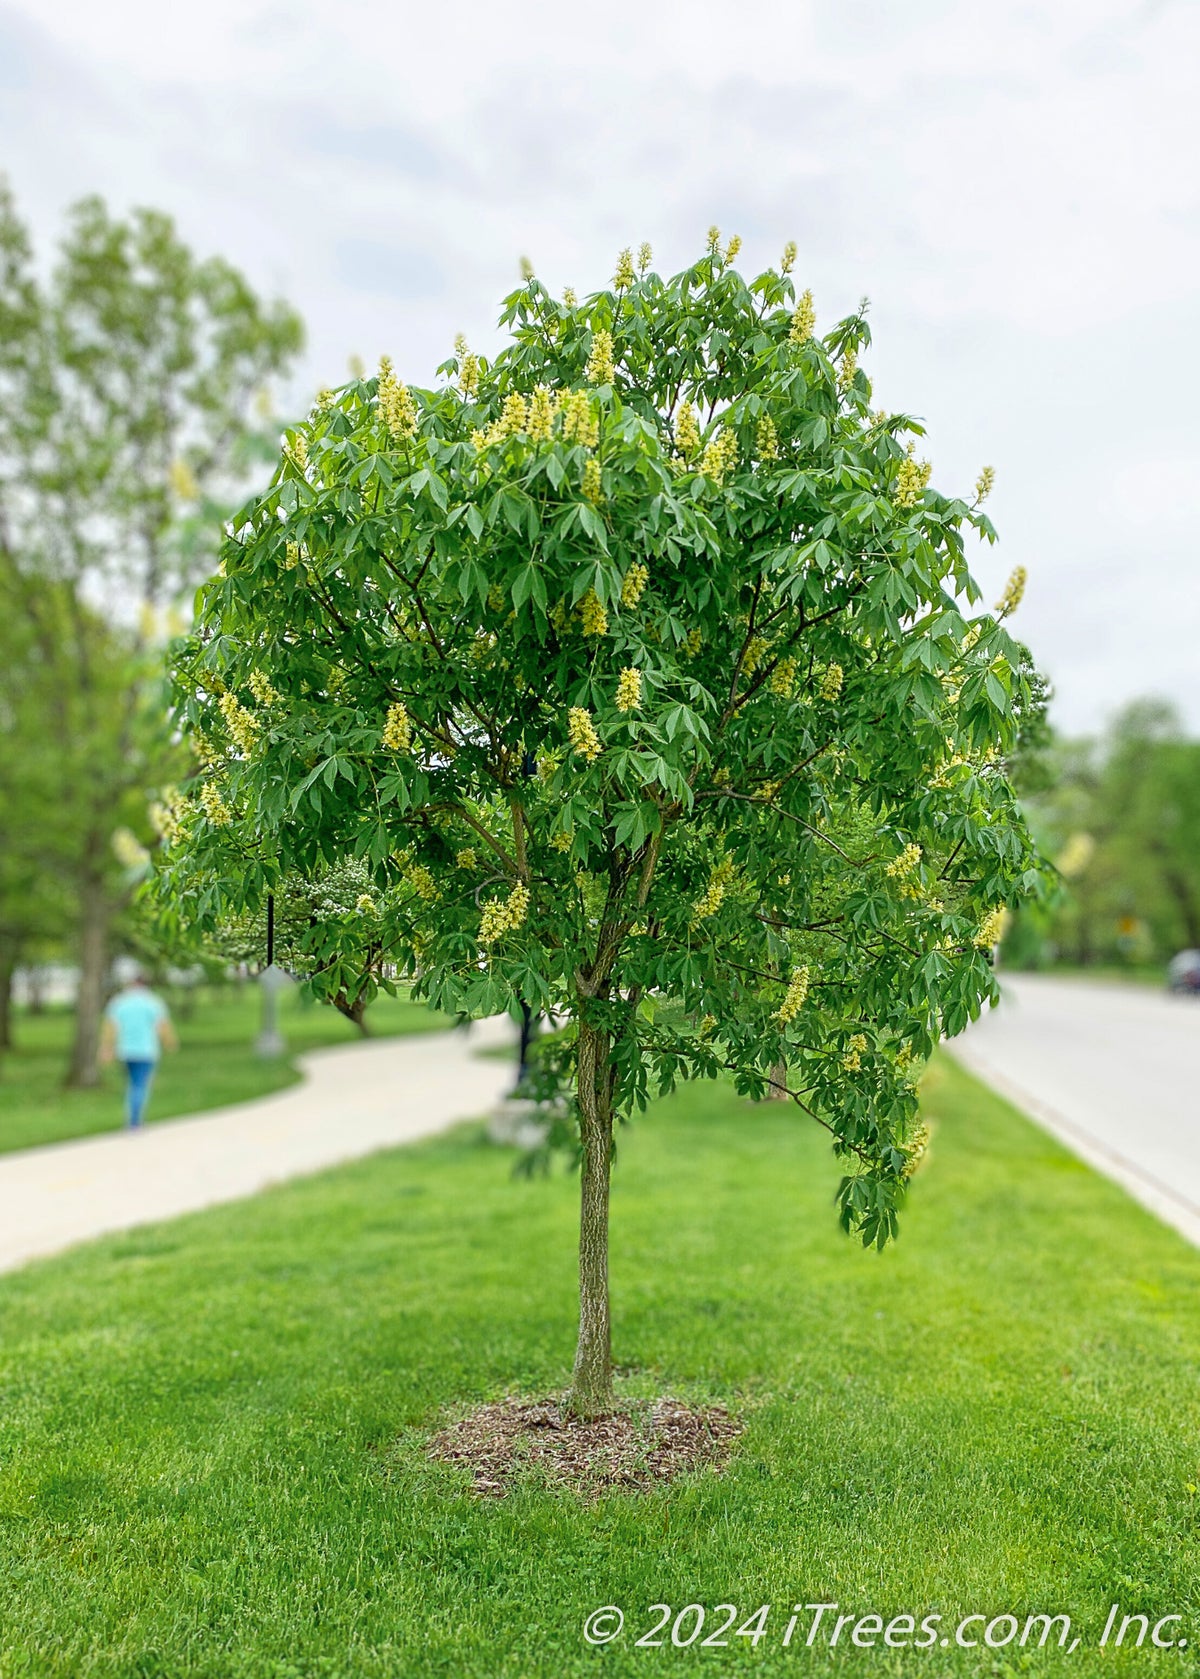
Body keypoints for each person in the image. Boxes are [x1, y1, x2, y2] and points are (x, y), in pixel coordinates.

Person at [100, 971, 178, 1129]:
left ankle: (132, 1117)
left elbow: (111, 1027)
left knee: (132, 1084)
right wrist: (170, 1042)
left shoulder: (119, 1001)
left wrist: (107, 1048)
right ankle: (135, 1121)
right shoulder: (153, 1002)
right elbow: (163, 1026)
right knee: (140, 1084)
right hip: (146, 1050)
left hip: (125, 1050)